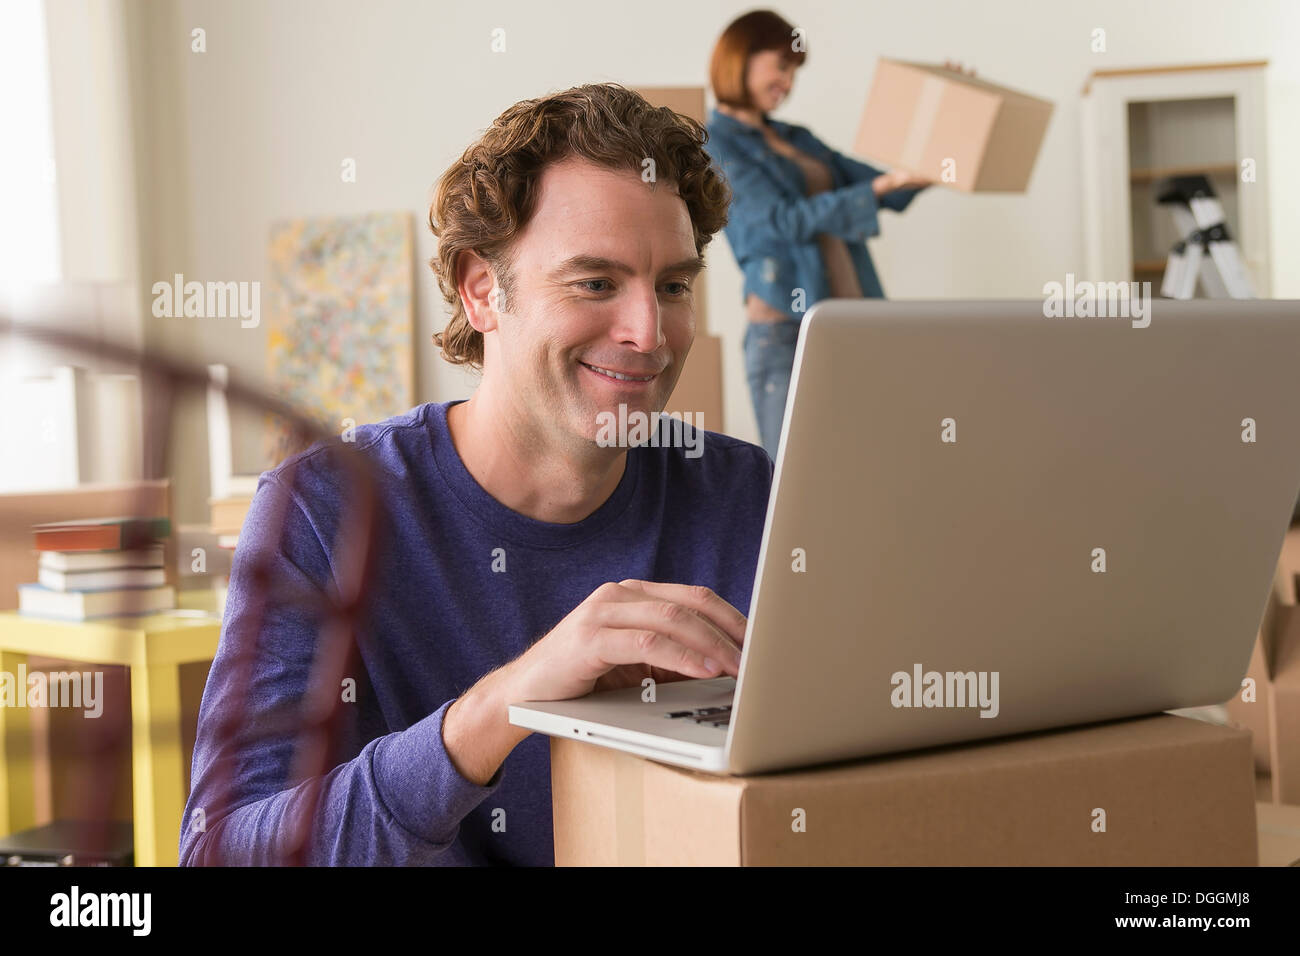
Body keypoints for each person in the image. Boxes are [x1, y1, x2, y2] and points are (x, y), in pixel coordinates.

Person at [179, 83, 772, 866]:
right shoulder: (321, 510)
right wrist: (506, 703)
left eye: (673, 285)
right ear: (481, 290)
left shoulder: (744, 495)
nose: (648, 332)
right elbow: (222, 851)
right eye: (596, 283)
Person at [704, 9, 932, 457]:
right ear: (742, 59)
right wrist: (876, 190)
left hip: (855, 316)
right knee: (799, 473)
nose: (788, 83)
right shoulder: (716, 144)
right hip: (787, 329)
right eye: (782, 67)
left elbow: (886, 186)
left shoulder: (797, 137)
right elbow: (775, 222)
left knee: (876, 460)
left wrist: (944, 137)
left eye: (794, 72)